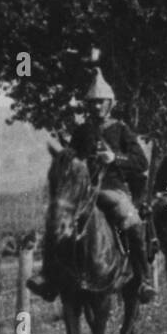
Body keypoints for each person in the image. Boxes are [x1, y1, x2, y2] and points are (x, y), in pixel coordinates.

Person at [28, 67, 154, 303]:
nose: (96, 106)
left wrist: (114, 158)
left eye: (101, 102)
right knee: (56, 219)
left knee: (133, 222)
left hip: (112, 189)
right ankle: (48, 276)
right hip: (83, 191)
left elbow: (140, 161)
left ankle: (143, 279)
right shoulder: (82, 130)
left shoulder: (121, 129)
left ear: (110, 104)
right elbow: (72, 160)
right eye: (93, 103)